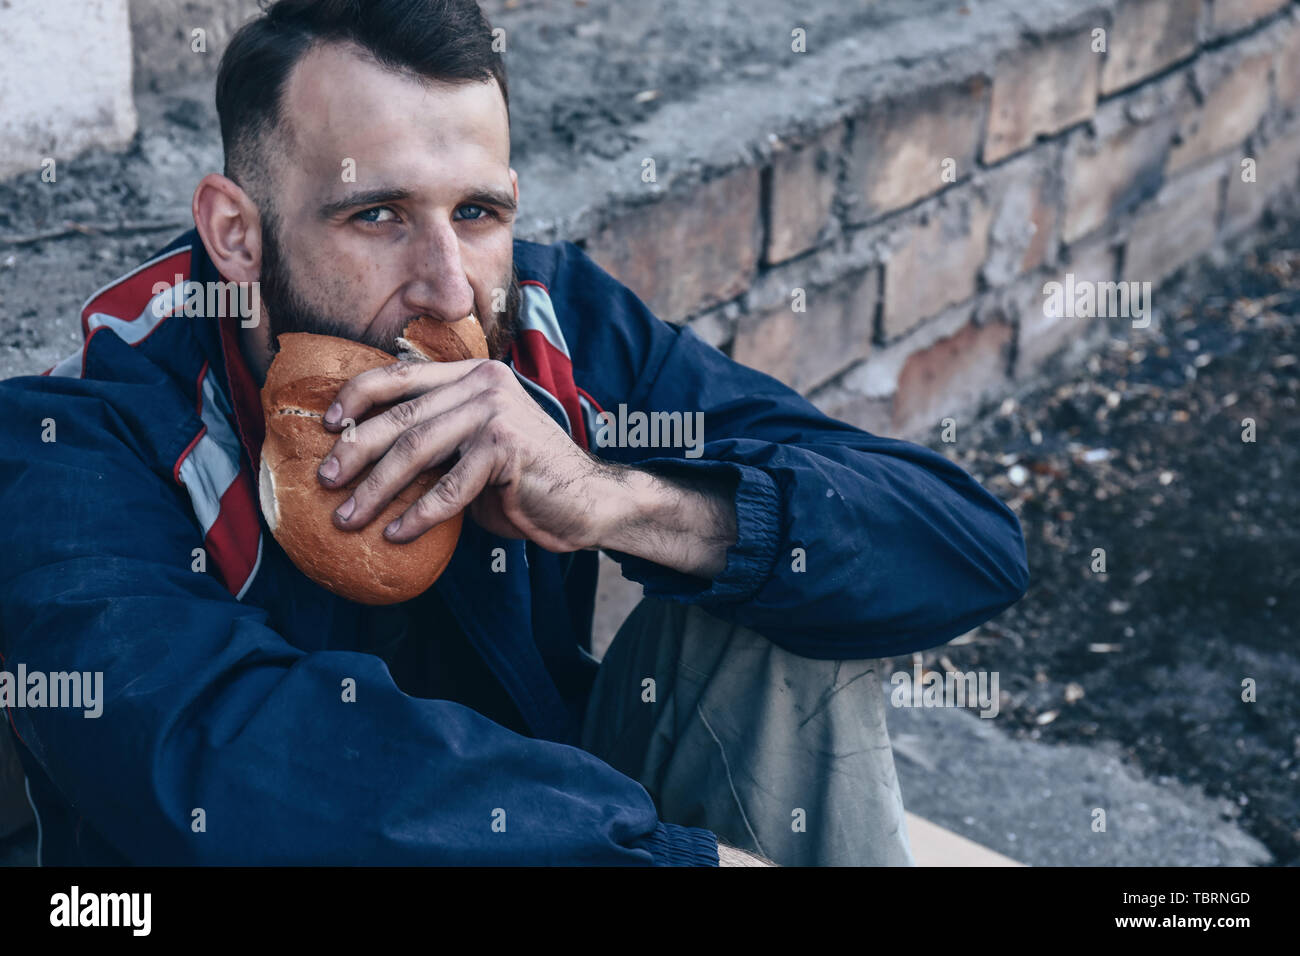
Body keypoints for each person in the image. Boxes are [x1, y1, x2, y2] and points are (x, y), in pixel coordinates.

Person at [0, 0, 1028, 866]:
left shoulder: (548, 319)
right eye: (376, 216)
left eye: (478, 212)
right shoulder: (79, 439)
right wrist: (674, 857)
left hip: (558, 826)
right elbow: (218, 758)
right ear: (237, 234)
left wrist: (623, 501)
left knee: (770, 573)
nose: (449, 283)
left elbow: (970, 548)